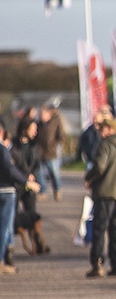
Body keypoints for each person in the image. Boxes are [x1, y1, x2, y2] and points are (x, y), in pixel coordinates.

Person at [86, 114, 116, 278]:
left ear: (110, 129)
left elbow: (99, 166)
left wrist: (89, 178)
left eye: (102, 128)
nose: (99, 131)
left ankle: (97, 265)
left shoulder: (104, 145)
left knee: (99, 229)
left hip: (105, 193)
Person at [0, 123, 38, 272]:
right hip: (6, 191)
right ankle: (2, 260)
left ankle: (8, 260)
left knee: (7, 227)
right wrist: (27, 182)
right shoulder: (2, 150)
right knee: (5, 227)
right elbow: (11, 170)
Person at [11, 119, 47, 257]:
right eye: (33, 129)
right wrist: (24, 176)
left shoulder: (34, 146)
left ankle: (38, 245)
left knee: (32, 214)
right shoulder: (14, 144)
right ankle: (9, 246)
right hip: (17, 183)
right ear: (25, 128)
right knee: (12, 214)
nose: (35, 132)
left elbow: (37, 164)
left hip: (30, 184)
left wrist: (33, 175)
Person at [36, 104, 64, 201]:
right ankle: (42, 192)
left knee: (54, 174)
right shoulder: (38, 124)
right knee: (39, 174)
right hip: (40, 153)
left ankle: (57, 190)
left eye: (43, 114)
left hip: (51, 153)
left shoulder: (55, 123)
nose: (41, 116)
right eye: (40, 114)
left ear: (48, 114)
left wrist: (55, 146)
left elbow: (61, 136)